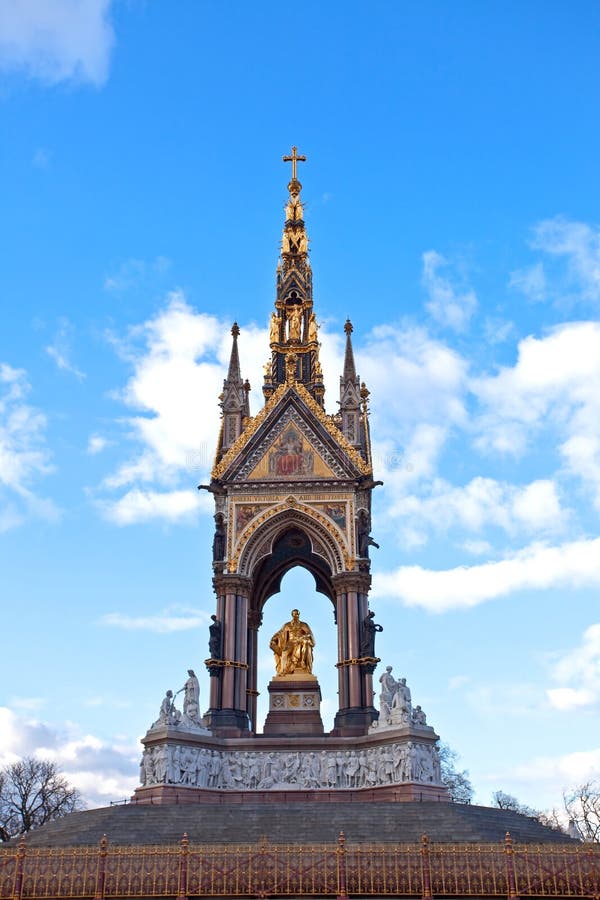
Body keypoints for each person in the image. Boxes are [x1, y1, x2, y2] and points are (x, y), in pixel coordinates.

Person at [269, 609, 315, 675]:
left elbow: (309, 633)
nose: (296, 616)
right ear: (292, 615)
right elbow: (279, 633)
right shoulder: (287, 625)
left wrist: (303, 637)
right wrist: (273, 639)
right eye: (294, 614)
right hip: (290, 643)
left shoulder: (303, 625)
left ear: (299, 615)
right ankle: (283, 671)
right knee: (284, 652)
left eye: (297, 614)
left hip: (300, 641)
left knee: (306, 643)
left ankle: (303, 662)